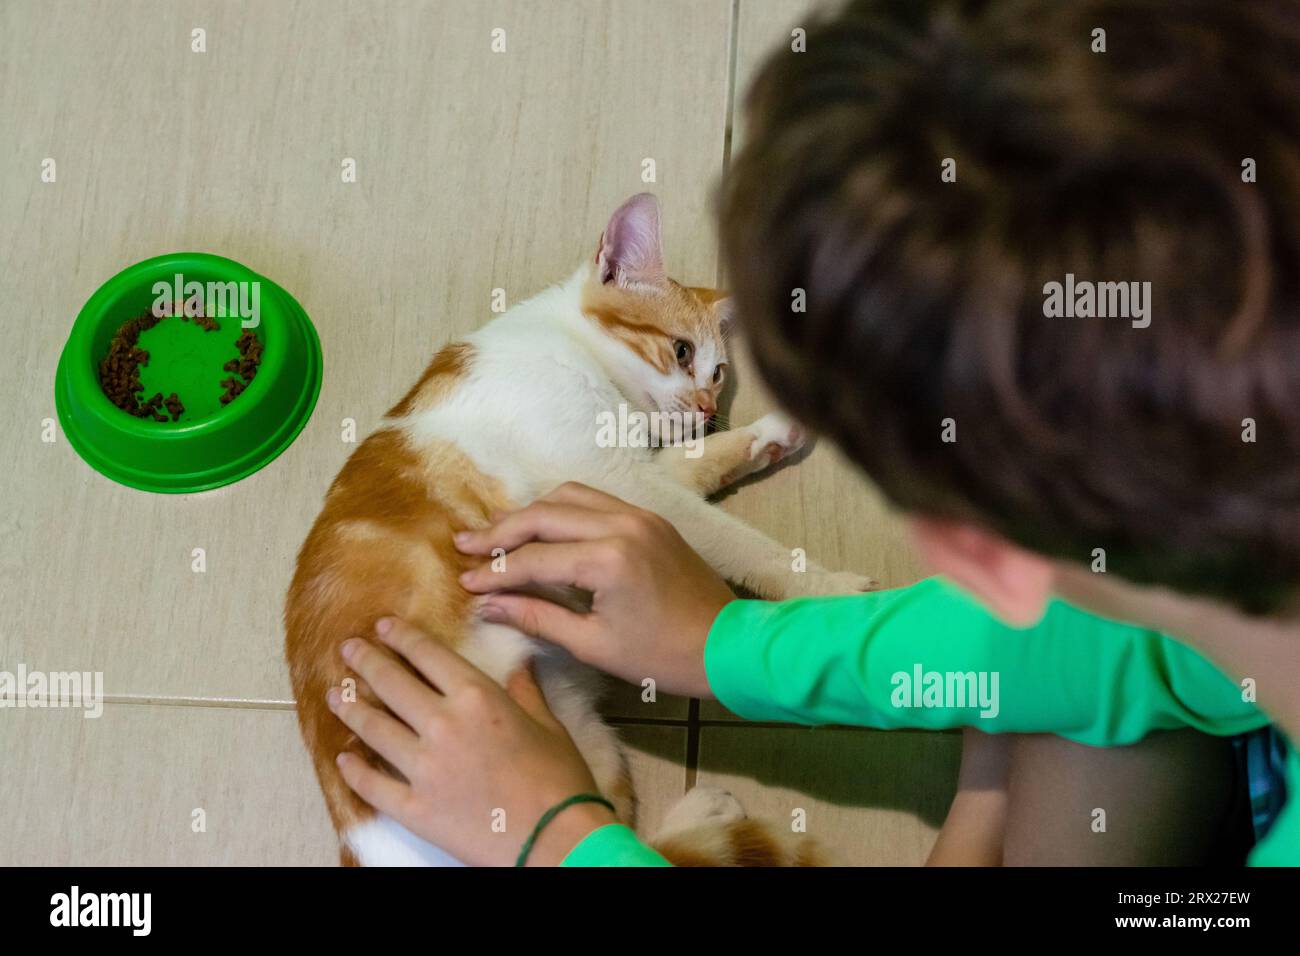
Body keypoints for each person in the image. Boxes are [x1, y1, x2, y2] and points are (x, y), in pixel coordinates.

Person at [327, 0, 1299, 866]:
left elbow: (1062, 634)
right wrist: (725, 640)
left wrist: (560, 838)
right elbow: (1099, 639)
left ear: (984, 567)